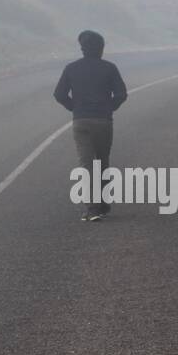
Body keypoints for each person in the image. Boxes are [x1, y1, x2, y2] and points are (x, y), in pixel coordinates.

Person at [53, 30, 128, 221]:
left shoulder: (71, 68)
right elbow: (121, 94)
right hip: (103, 121)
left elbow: (59, 94)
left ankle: (92, 208)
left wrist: (75, 108)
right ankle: (103, 203)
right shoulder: (110, 68)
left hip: (81, 121)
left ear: (82, 49)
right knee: (102, 162)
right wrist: (109, 107)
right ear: (101, 49)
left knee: (86, 165)